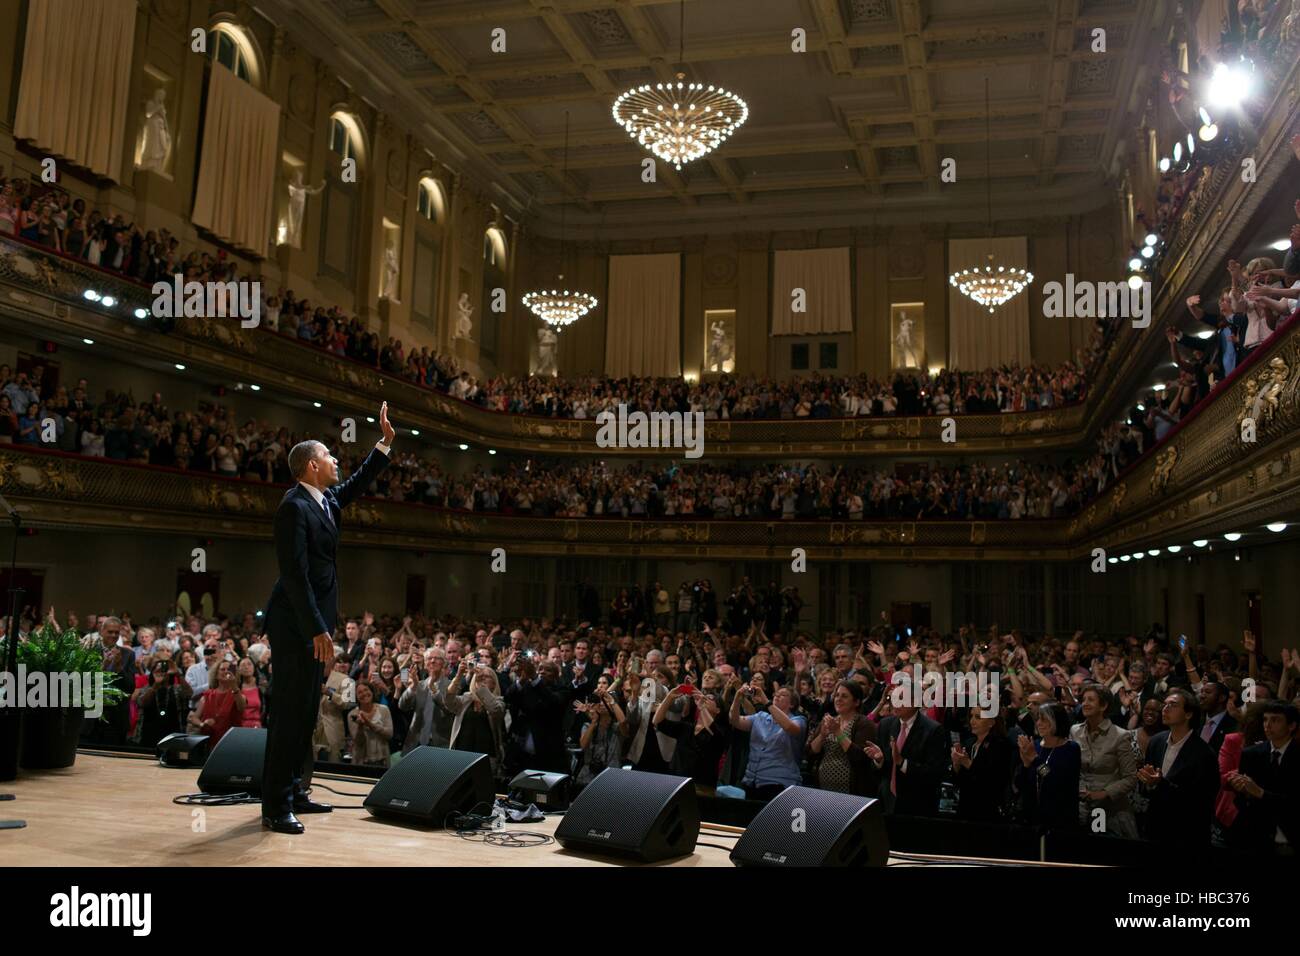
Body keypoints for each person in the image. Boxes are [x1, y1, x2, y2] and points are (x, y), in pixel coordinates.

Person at [259, 402, 394, 834]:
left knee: (305, 714)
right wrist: (318, 627)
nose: (338, 461)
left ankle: (297, 791)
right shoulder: (293, 507)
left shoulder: (325, 500)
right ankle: (276, 806)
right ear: (313, 465)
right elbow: (294, 575)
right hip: (296, 624)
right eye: (331, 456)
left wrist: (385, 444)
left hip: (315, 625)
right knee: (288, 715)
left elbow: (357, 482)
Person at [1138, 687, 1218, 845]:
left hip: (1186, 833)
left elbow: (1200, 801)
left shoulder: (1204, 753)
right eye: (1165, 705)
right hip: (1155, 827)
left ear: (1188, 714)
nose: (1165, 709)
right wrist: (1148, 784)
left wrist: (1160, 784)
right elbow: (1146, 786)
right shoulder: (1157, 741)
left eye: (1173, 705)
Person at [1226, 702, 1299, 855]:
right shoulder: (1251, 753)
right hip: (1253, 837)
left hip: (1288, 838)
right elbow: (1241, 801)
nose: (1268, 725)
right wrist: (1241, 789)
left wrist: (1260, 793)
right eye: (1265, 720)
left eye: (1275, 720)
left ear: (1292, 726)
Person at [1072, 684, 1139, 838]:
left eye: (1091, 700)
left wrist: (1104, 793)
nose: (1085, 703)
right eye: (1083, 700)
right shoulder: (1074, 731)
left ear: (1104, 705)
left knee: (1100, 852)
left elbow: (1131, 777)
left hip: (1107, 810)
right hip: (1080, 807)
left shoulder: (1120, 736)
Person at [876, 676, 950, 816]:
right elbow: (879, 772)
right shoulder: (885, 725)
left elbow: (934, 773)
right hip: (886, 801)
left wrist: (902, 763)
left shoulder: (933, 730)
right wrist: (878, 760)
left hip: (917, 804)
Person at [728, 678, 805, 801]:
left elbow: (789, 727)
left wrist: (765, 701)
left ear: (792, 704)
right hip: (752, 782)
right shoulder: (760, 717)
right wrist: (738, 697)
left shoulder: (798, 720)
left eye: (783, 695)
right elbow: (734, 720)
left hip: (779, 785)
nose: (777, 695)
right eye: (776, 694)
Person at [808, 680, 881, 797]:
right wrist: (821, 736)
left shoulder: (864, 724)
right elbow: (811, 753)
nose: (838, 699)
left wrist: (838, 732)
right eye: (837, 695)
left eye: (844, 696)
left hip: (853, 793)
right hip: (824, 790)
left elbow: (860, 758)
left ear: (856, 702)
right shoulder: (828, 721)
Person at [1015, 701, 1080, 829]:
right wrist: (1026, 765)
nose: (1039, 723)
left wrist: (1034, 759)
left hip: (1060, 819)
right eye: (1038, 719)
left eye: (1044, 719)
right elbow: (1020, 785)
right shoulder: (1035, 746)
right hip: (1033, 817)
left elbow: (1056, 782)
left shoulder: (1071, 749)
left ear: (1057, 721)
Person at [440, 660, 506, 777]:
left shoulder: (499, 701)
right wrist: (459, 675)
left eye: (487, 677)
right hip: (460, 756)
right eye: (480, 677)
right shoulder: (466, 699)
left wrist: (481, 687)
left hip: (486, 758)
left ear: (494, 683)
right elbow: (448, 701)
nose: (482, 678)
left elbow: (494, 710)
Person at [951, 707, 1014, 823]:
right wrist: (956, 764)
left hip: (987, 813)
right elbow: (959, 781)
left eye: (978, 717)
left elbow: (993, 782)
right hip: (964, 808)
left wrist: (968, 763)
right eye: (971, 716)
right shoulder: (969, 743)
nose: (972, 721)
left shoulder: (1001, 745)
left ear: (991, 722)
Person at [190, 659, 246, 746]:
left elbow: (242, 707)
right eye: (223, 669)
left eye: (229, 670)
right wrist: (202, 724)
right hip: (210, 742)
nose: (226, 671)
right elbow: (193, 718)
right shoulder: (207, 695)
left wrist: (234, 686)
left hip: (232, 742)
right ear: (216, 674)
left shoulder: (237, 693)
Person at [347, 681, 393, 767]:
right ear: (356, 697)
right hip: (361, 762)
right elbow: (358, 742)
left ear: (371, 691)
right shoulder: (352, 714)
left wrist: (370, 724)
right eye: (359, 692)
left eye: (366, 690)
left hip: (382, 761)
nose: (364, 693)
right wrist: (360, 726)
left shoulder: (384, 709)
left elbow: (389, 735)